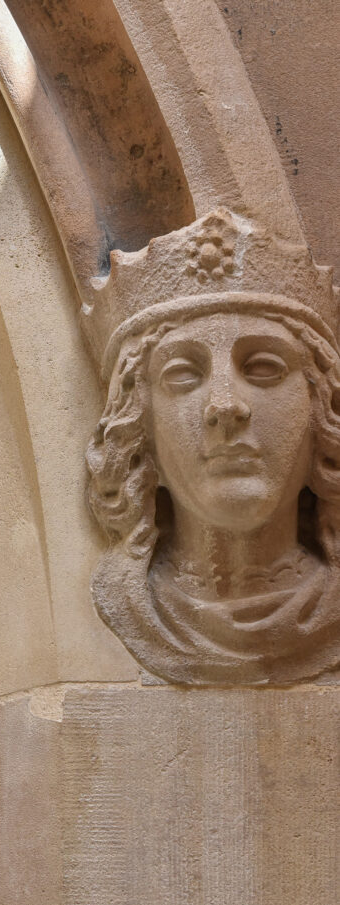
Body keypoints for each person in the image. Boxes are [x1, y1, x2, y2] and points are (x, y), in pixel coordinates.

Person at [86, 208, 340, 684]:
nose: (225, 406)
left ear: (320, 417)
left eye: (264, 367)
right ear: (137, 433)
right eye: (183, 374)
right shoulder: (135, 606)